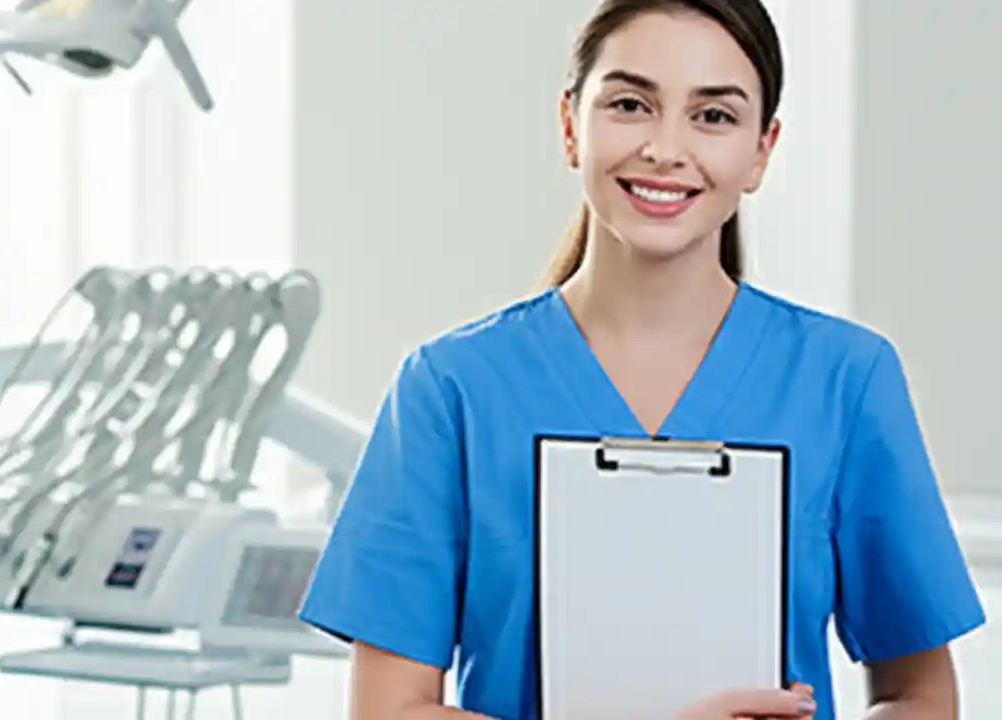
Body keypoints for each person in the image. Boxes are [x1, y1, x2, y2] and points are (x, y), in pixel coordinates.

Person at [296, 0, 987, 718]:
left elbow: (921, 696)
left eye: (713, 116)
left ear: (761, 151)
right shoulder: (451, 390)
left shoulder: (845, 381)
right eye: (631, 104)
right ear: (570, 125)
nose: (665, 148)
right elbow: (389, 710)